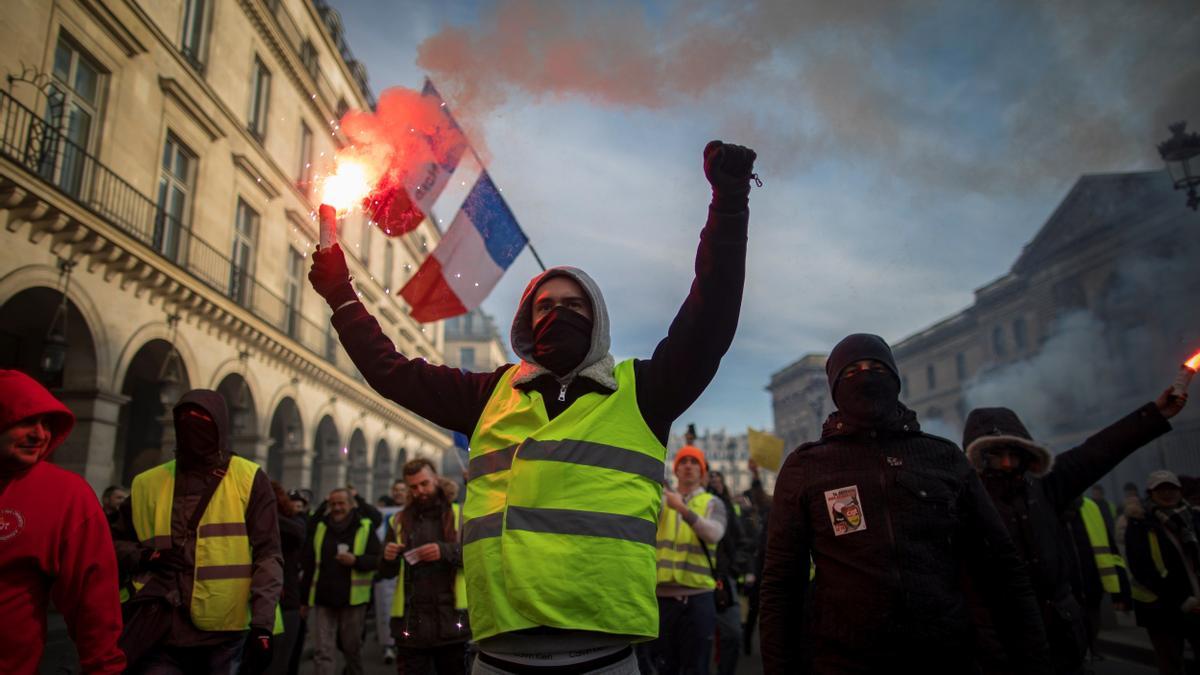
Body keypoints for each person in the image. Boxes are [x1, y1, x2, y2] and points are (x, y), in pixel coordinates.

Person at [308, 140, 756, 673]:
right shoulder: (489, 395)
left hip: (606, 651)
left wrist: (728, 206)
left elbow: (711, 316)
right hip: (499, 649)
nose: (558, 314)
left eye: (573, 306)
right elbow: (392, 371)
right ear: (527, 322)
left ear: (597, 321)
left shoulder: (644, 391)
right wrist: (341, 296)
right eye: (545, 307)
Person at [759, 334, 1051, 674]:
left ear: (895, 379)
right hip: (844, 661)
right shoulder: (806, 466)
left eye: (876, 367)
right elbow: (781, 584)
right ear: (835, 386)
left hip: (945, 656)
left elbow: (1003, 568)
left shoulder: (943, 457)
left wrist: (1034, 660)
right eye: (852, 370)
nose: (866, 376)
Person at [962, 384, 1185, 674]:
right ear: (978, 458)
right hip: (1001, 642)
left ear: (1026, 454)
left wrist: (1154, 415)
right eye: (995, 454)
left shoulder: (1045, 487)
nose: (1006, 462)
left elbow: (1097, 451)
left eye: (1013, 453)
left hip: (1061, 635)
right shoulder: (963, 500)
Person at [112, 389, 283, 674]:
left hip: (223, 632)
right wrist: (146, 556)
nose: (193, 426)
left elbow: (268, 555)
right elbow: (112, 543)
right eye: (185, 419)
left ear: (220, 427)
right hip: (158, 625)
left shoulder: (248, 478)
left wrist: (262, 625)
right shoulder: (147, 483)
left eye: (202, 420)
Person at [0, 370, 125, 674]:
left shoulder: (66, 495)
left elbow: (93, 602)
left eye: (46, 424)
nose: (40, 434)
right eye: (27, 420)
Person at [379, 458, 469, 673]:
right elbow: (386, 572)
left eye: (424, 484)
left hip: (452, 623)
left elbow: (478, 556)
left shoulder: (459, 515)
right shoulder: (398, 520)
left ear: (436, 479)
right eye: (413, 487)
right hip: (411, 626)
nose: (420, 491)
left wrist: (445, 551)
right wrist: (387, 557)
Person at [650, 446, 726, 675]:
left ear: (702, 471)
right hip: (662, 599)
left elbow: (714, 534)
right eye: (684, 462)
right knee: (664, 666)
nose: (689, 466)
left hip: (698, 597)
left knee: (696, 667)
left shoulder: (712, 503)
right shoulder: (661, 502)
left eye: (695, 462)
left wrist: (682, 509)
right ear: (676, 470)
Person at [1125, 470, 1200, 675]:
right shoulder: (1139, 523)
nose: (1167, 493)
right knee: (1171, 663)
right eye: (1161, 489)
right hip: (1161, 609)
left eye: (1172, 488)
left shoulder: (1193, 517)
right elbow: (1142, 568)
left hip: (1196, 602)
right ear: (1150, 493)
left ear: (1180, 491)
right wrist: (1182, 599)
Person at [300, 487, 381, 675]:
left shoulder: (365, 526)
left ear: (351, 505)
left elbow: (376, 559)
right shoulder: (320, 527)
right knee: (323, 651)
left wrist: (356, 561)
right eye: (332, 504)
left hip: (352, 600)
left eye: (341, 503)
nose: (336, 508)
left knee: (352, 649)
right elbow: (310, 563)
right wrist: (304, 600)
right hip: (323, 598)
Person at [706, 469, 748, 675]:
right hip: (699, 578)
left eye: (718, 480)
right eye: (711, 480)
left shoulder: (728, 509)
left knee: (732, 634)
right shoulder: (697, 505)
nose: (715, 483)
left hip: (723, 578)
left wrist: (732, 570)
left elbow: (741, 542)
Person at [265, 481, 308, 675]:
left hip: (286, 600)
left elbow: (298, 534)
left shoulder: (291, 523)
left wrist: (263, 513)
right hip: (259, 601)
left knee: (280, 661)